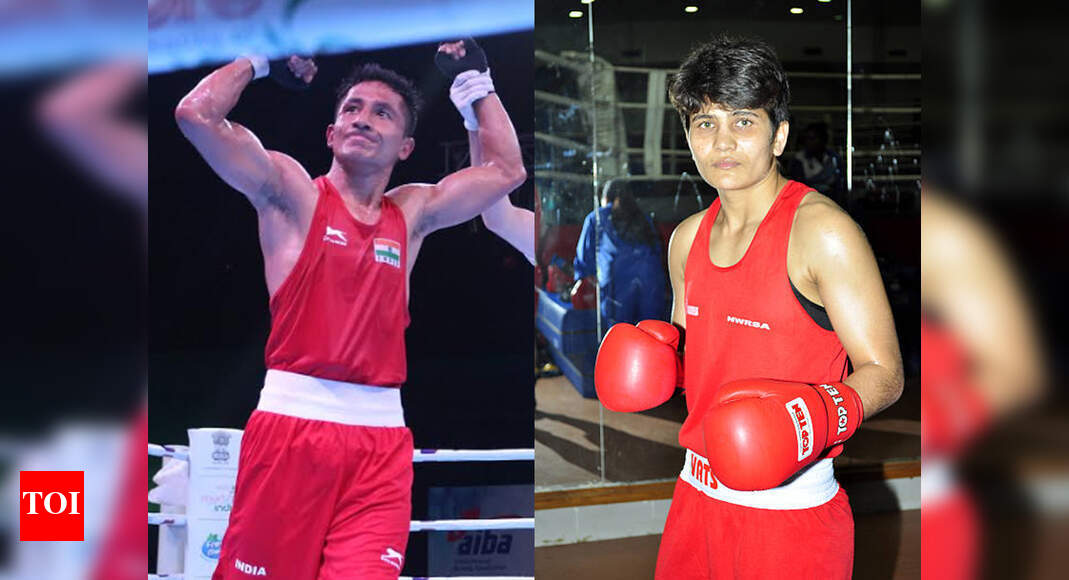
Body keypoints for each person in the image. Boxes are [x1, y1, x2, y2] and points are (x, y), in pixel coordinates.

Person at [174, 38, 525, 580]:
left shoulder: (411, 213)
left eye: (382, 113)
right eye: (352, 109)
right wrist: (259, 58)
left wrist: (475, 85)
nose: (364, 119)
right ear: (331, 134)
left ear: (405, 146)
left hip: (381, 445)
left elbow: (506, 172)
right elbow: (197, 115)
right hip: (291, 431)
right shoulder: (292, 194)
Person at [594, 33, 904, 578]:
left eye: (743, 121)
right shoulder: (686, 240)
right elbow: (700, 366)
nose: (723, 144)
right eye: (704, 124)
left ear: (778, 134)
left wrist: (809, 418)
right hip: (696, 498)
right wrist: (659, 362)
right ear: (688, 138)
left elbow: (885, 374)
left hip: (791, 513)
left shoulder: (822, 233)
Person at [574, 187, 667, 327]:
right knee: (650, 333)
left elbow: (585, 255)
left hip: (618, 284)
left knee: (620, 335)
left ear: (605, 198)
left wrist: (582, 276)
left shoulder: (596, 217)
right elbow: (656, 249)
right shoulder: (644, 217)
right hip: (651, 282)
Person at [787, 121, 844, 203]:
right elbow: (798, 187)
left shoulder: (833, 158)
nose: (809, 142)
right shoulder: (799, 159)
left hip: (833, 202)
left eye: (813, 138)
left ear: (823, 140)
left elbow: (839, 184)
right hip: (809, 202)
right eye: (807, 139)